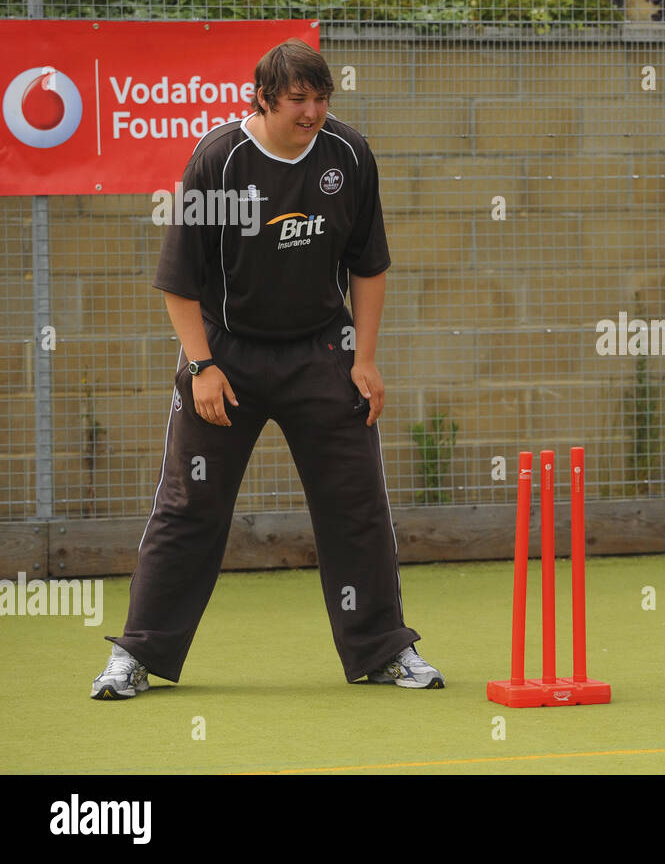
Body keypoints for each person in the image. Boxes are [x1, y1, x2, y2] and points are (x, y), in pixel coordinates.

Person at [91, 39, 442, 699]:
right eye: (298, 101)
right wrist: (201, 366)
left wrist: (364, 360)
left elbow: (369, 266)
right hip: (227, 355)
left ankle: (385, 651)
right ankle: (137, 656)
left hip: (322, 352)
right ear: (263, 98)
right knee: (188, 505)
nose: (313, 112)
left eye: (322, 98)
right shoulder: (219, 160)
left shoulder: (348, 155)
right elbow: (179, 281)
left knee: (356, 504)